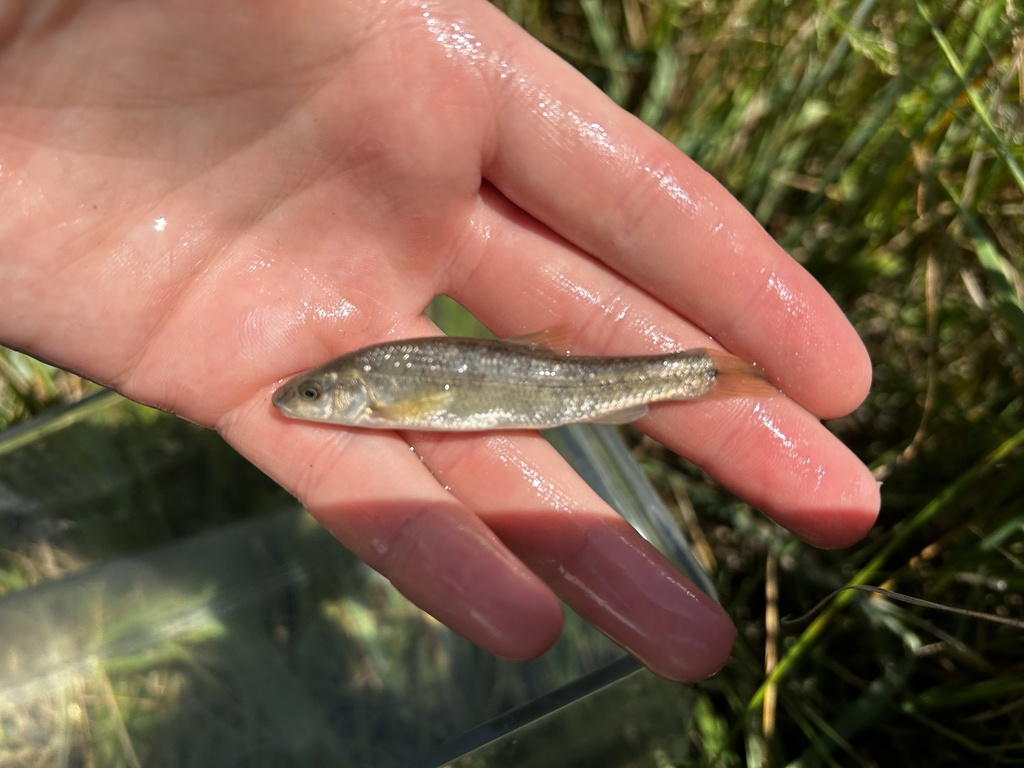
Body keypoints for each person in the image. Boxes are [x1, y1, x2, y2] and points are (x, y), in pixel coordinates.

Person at [0, 0, 879, 682]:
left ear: (347, 391)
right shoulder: (369, 383)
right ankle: (707, 377)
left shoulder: (377, 386)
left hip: (543, 377)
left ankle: (708, 376)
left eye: (314, 394)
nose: (305, 402)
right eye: (312, 394)